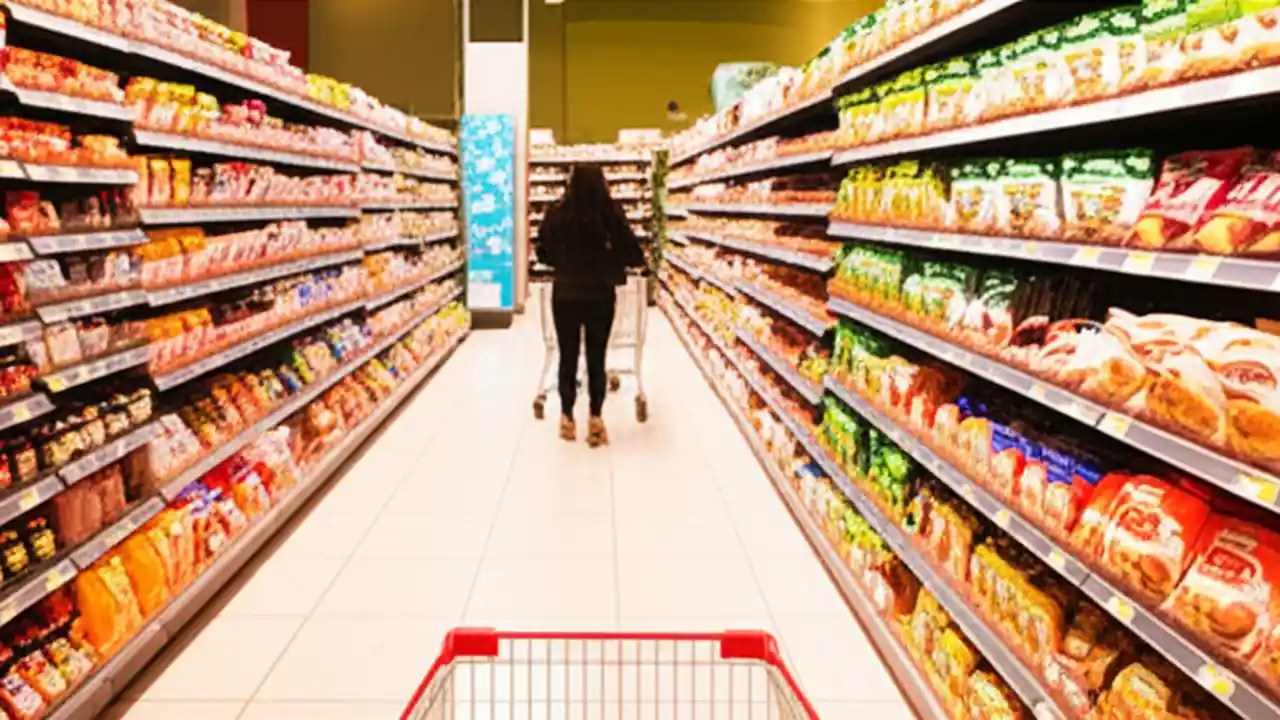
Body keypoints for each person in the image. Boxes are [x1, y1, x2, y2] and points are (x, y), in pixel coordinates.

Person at [534, 164, 645, 447]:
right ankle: (595, 417)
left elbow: (542, 252)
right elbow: (634, 252)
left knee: (567, 356)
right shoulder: (610, 215)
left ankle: (567, 417)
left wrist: (564, 260)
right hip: (600, 294)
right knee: (597, 358)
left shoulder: (557, 213)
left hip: (566, 293)